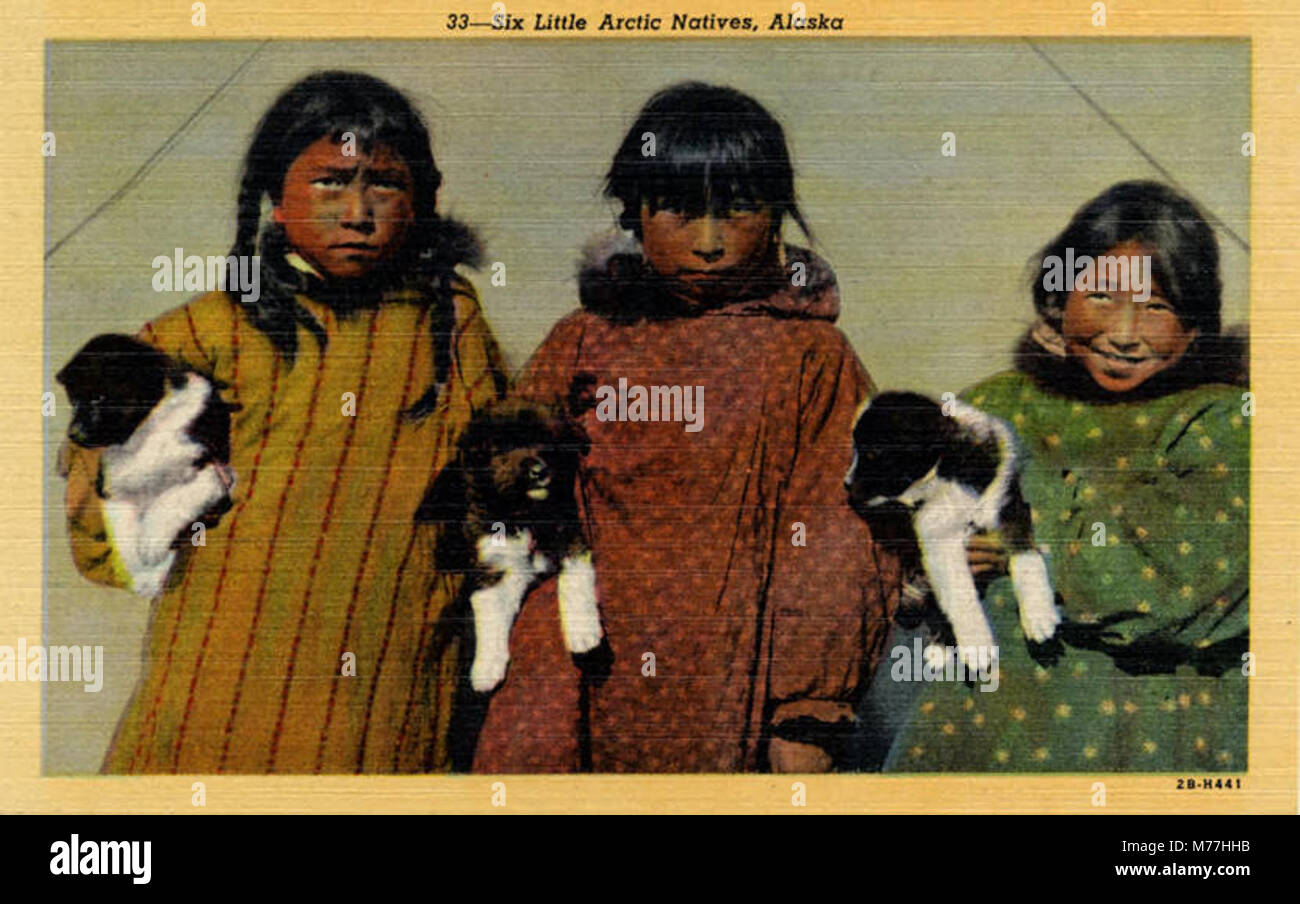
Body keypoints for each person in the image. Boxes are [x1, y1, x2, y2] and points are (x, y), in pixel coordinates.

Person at [60, 71, 508, 773]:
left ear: (420, 198)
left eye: (383, 184)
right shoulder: (214, 330)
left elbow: (505, 495)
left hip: (391, 697)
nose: (358, 211)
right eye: (330, 182)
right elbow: (105, 531)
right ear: (275, 195)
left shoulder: (452, 329)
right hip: (223, 696)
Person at [468, 82, 900, 773]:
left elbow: (838, 538)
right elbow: (503, 484)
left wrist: (809, 709)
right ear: (634, 215)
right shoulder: (584, 341)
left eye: (738, 209)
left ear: (779, 216)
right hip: (572, 666)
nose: (709, 241)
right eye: (679, 210)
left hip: (727, 673)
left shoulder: (810, 358)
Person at [882, 180, 1249, 772]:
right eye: (1102, 297)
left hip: (1149, 733)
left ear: (1196, 323)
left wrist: (1019, 538)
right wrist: (929, 565)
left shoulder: (1222, 422)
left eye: (1157, 306)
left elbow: (1185, 588)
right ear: (1059, 298)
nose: (1126, 333)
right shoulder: (996, 407)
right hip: (984, 732)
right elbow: (900, 536)